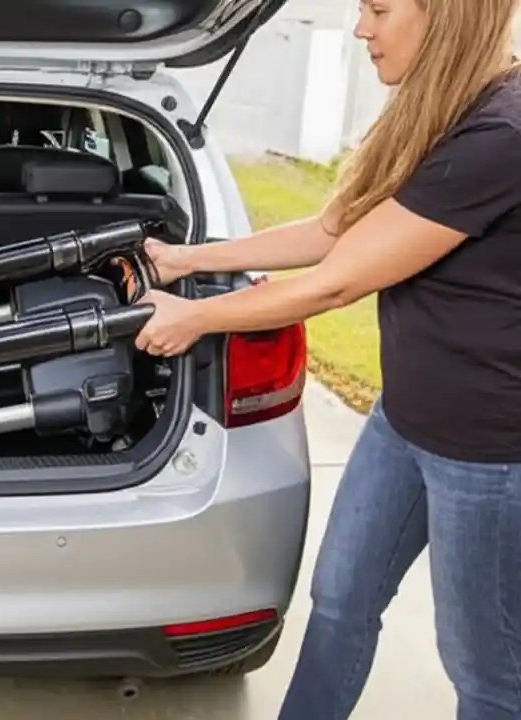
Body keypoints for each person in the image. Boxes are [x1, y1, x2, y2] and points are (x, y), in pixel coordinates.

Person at [134, 0, 521, 717]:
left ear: (448, 16)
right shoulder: (441, 115)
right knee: (340, 598)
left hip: (487, 455)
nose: (360, 30)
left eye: (377, 8)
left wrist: (197, 317)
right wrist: (186, 258)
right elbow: (329, 232)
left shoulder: (500, 133)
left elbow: (337, 279)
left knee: (487, 670)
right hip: (403, 423)